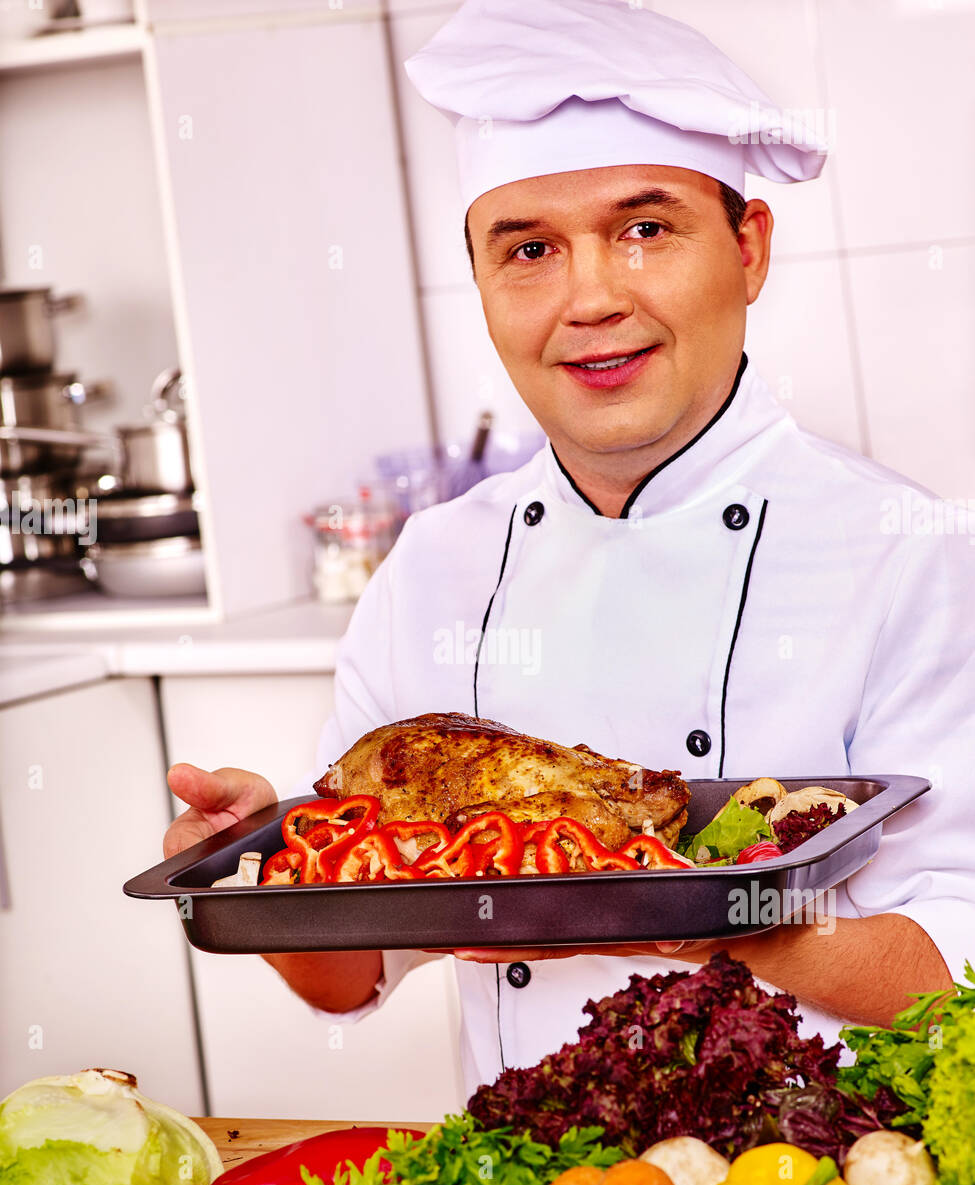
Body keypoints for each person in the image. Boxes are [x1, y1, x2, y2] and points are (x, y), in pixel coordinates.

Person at [165, 0, 972, 1097]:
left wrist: (680, 911)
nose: (591, 299)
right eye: (531, 249)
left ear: (748, 248)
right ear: (485, 287)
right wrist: (271, 865)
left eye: (645, 229)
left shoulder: (910, 556)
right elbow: (346, 977)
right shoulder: (433, 571)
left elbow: (954, 976)